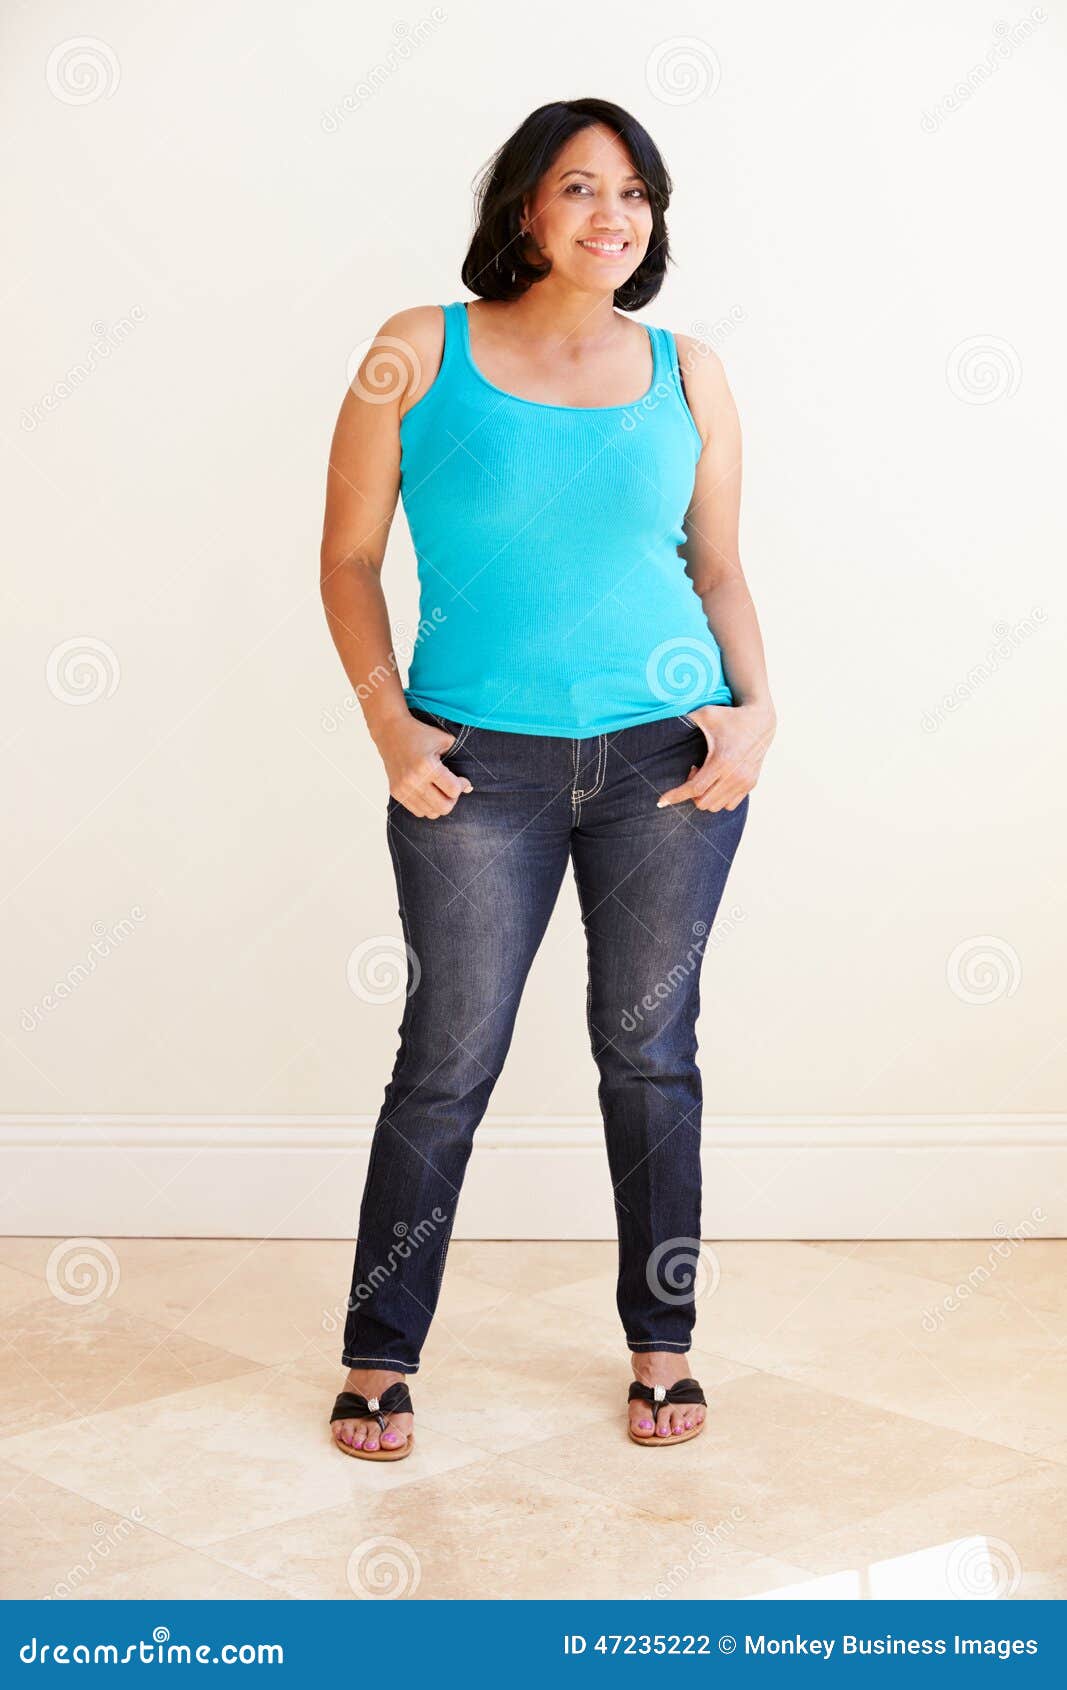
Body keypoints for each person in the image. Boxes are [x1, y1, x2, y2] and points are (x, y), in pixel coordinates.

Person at [319, 97, 776, 1461]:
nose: (611, 216)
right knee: (446, 1060)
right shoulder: (417, 349)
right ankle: (379, 1354)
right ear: (525, 205)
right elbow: (347, 562)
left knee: (653, 1056)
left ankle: (662, 1344)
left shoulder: (690, 372)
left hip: (667, 761)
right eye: (580, 187)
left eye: (634, 193)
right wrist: (391, 728)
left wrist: (756, 711)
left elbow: (717, 567)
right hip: (475, 766)